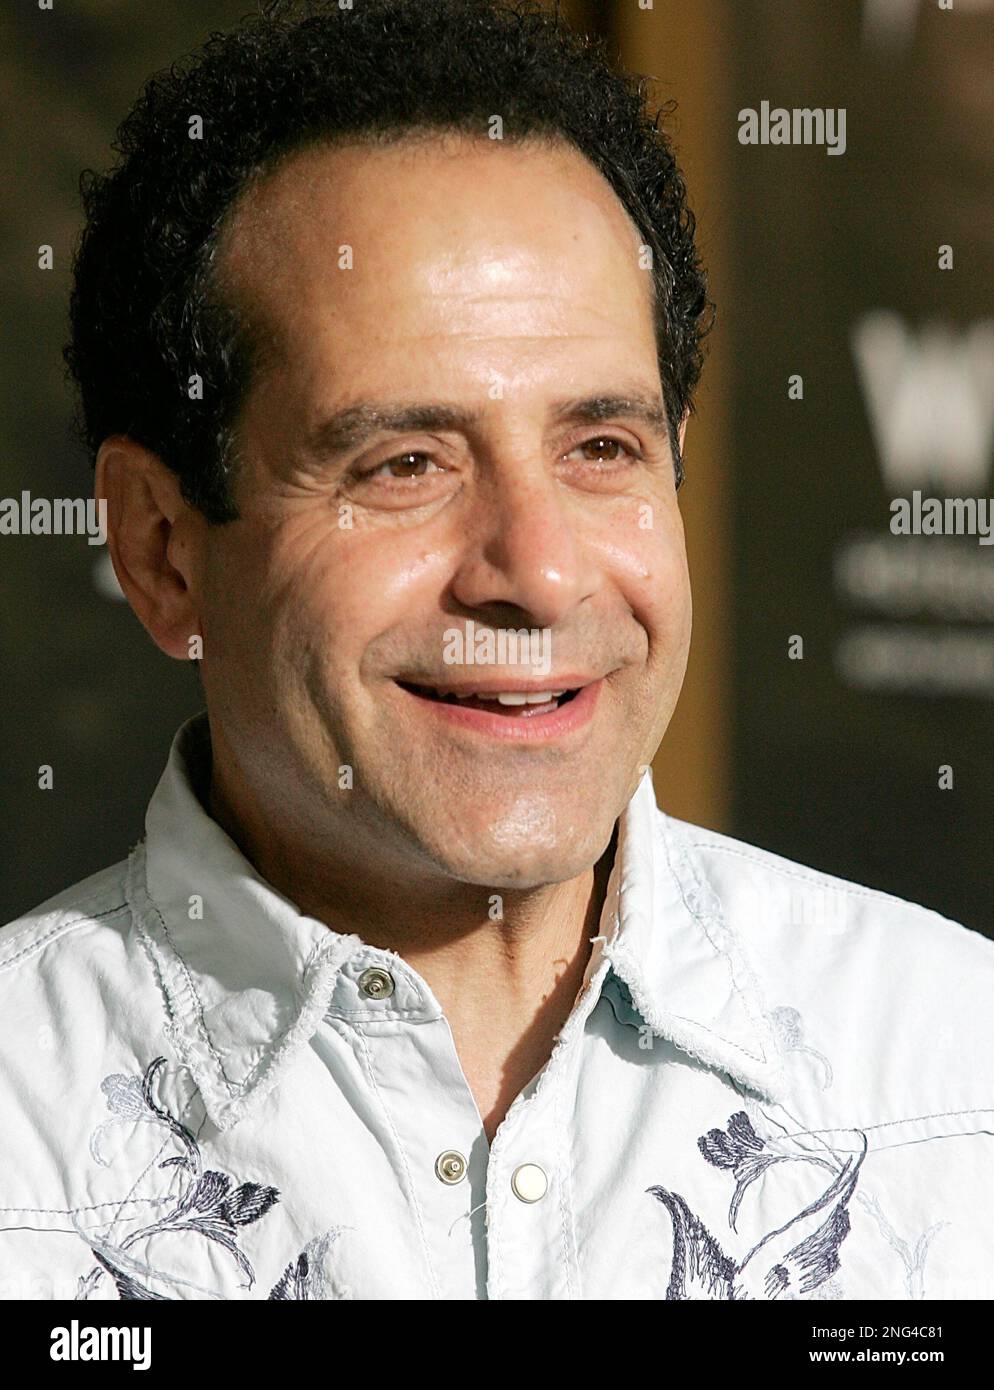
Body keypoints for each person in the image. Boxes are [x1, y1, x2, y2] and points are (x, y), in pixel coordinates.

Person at [1, 0, 991, 1302]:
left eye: (600, 448)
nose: (538, 568)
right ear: (162, 548)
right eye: (405, 463)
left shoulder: (952, 1073)